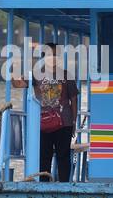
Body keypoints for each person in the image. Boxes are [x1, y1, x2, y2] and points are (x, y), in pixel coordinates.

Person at [13, 43, 77, 182]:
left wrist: (73, 122)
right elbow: (17, 84)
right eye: (49, 55)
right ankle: (44, 186)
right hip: (43, 122)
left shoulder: (67, 75)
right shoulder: (36, 74)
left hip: (64, 122)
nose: (52, 58)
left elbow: (73, 99)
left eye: (55, 55)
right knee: (44, 156)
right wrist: (16, 67)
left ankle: (65, 185)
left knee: (63, 156)